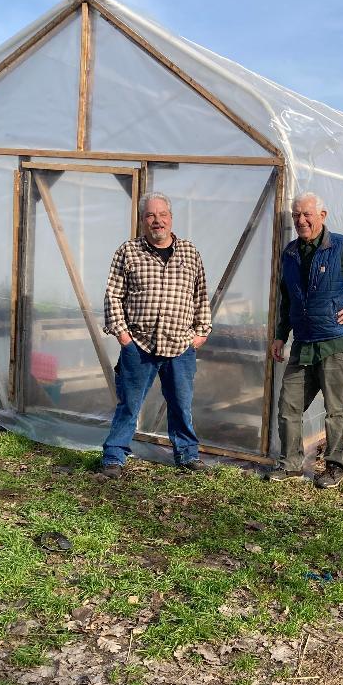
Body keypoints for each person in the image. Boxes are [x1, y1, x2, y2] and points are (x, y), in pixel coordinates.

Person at [268, 192, 343, 489]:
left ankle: (335, 466)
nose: (301, 220)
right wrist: (280, 335)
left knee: (336, 408)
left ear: (323, 216)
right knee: (289, 405)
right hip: (303, 342)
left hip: (336, 342)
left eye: (307, 214)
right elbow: (288, 299)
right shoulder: (290, 254)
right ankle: (291, 464)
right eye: (296, 215)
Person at [100, 192, 211, 477]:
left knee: (181, 403)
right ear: (142, 220)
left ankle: (187, 454)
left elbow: (201, 295)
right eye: (150, 215)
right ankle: (114, 457)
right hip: (140, 343)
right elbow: (113, 295)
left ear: (171, 218)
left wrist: (201, 333)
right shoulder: (128, 252)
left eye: (162, 214)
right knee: (129, 404)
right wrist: (123, 336)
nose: (157, 220)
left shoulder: (190, 252)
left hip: (180, 343)